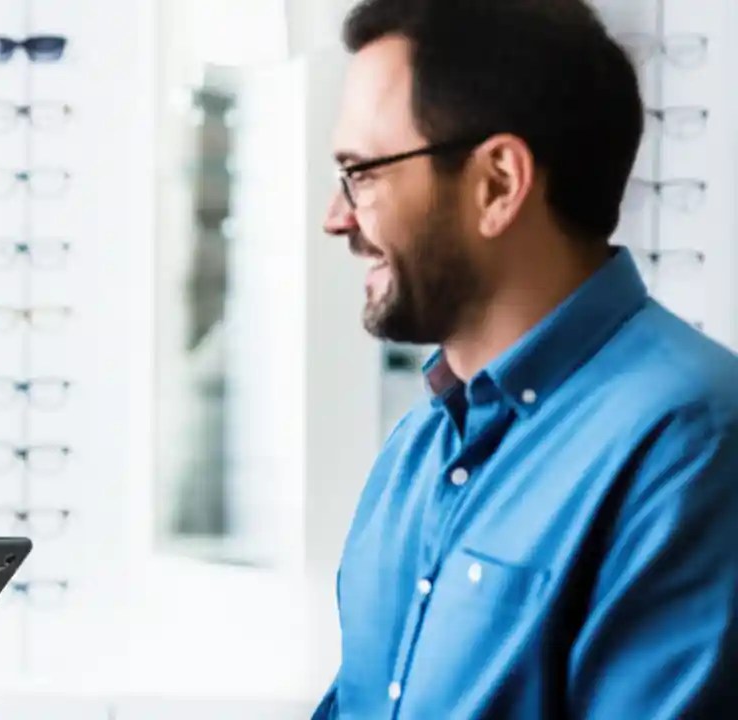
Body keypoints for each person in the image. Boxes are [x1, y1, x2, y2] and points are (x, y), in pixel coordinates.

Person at [316, 0, 738, 717]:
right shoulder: (416, 451)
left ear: (499, 184)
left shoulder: (692, 441)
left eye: (363, 173)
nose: (337, 216)